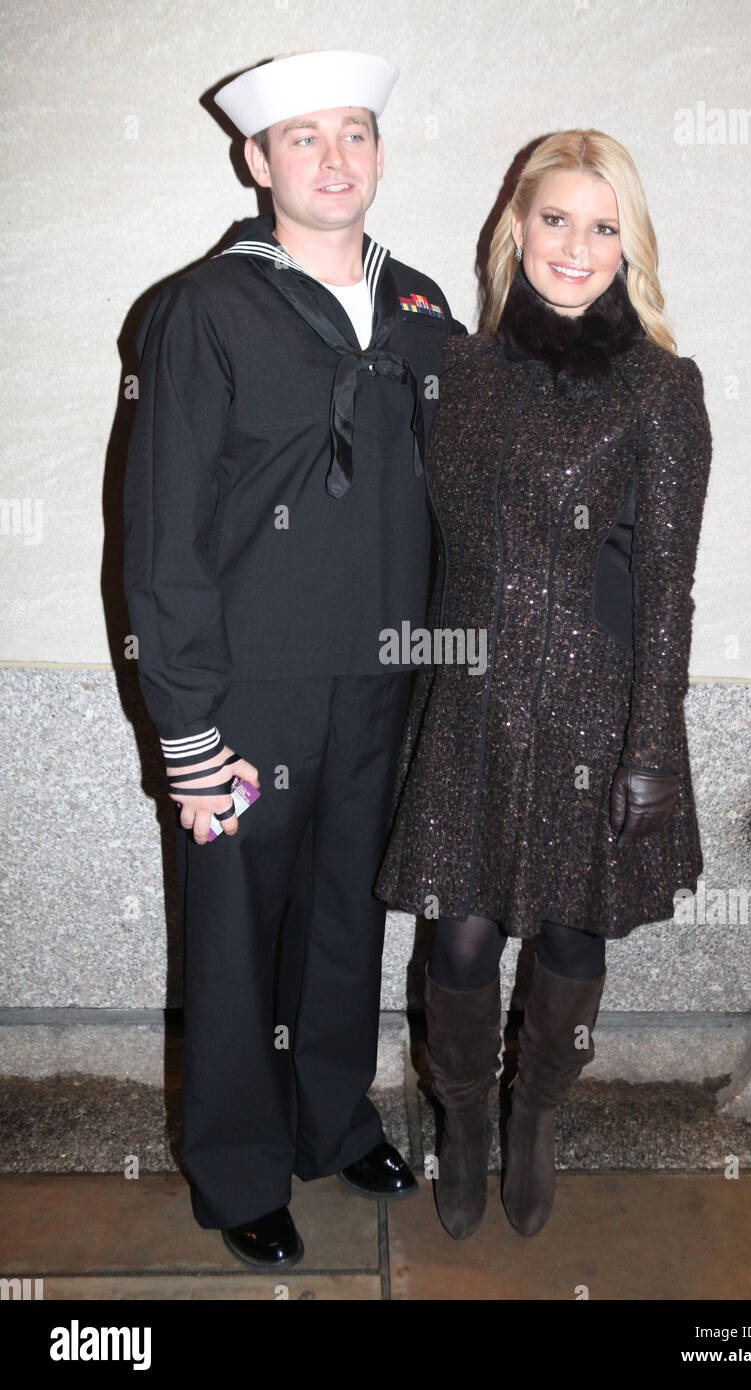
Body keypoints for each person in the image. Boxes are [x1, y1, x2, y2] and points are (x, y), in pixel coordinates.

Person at [123, 49, 464, 1270]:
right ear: (257, 160)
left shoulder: (424, 307)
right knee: (230, 933)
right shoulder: (205, 308)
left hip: (383, 683)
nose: (334, 158)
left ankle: (331, 1114)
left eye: (356, 133)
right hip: (247, 691)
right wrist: (188, 729)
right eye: (305, 138)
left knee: (345, 918)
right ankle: (236, 1164)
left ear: (378, 153)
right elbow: (160, 534)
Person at [374, 129, 712, 1239]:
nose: (577, 245)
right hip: (469, 703)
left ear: (630, 248)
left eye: (604, 226)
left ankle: (535, 1120)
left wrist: (652, 742)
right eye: (557, 219)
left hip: (594, 706)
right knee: (459, 938)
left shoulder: (660, 388)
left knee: (572, 935)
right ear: (516, 228)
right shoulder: (456, 371)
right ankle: (462, 1121)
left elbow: (668, 583)